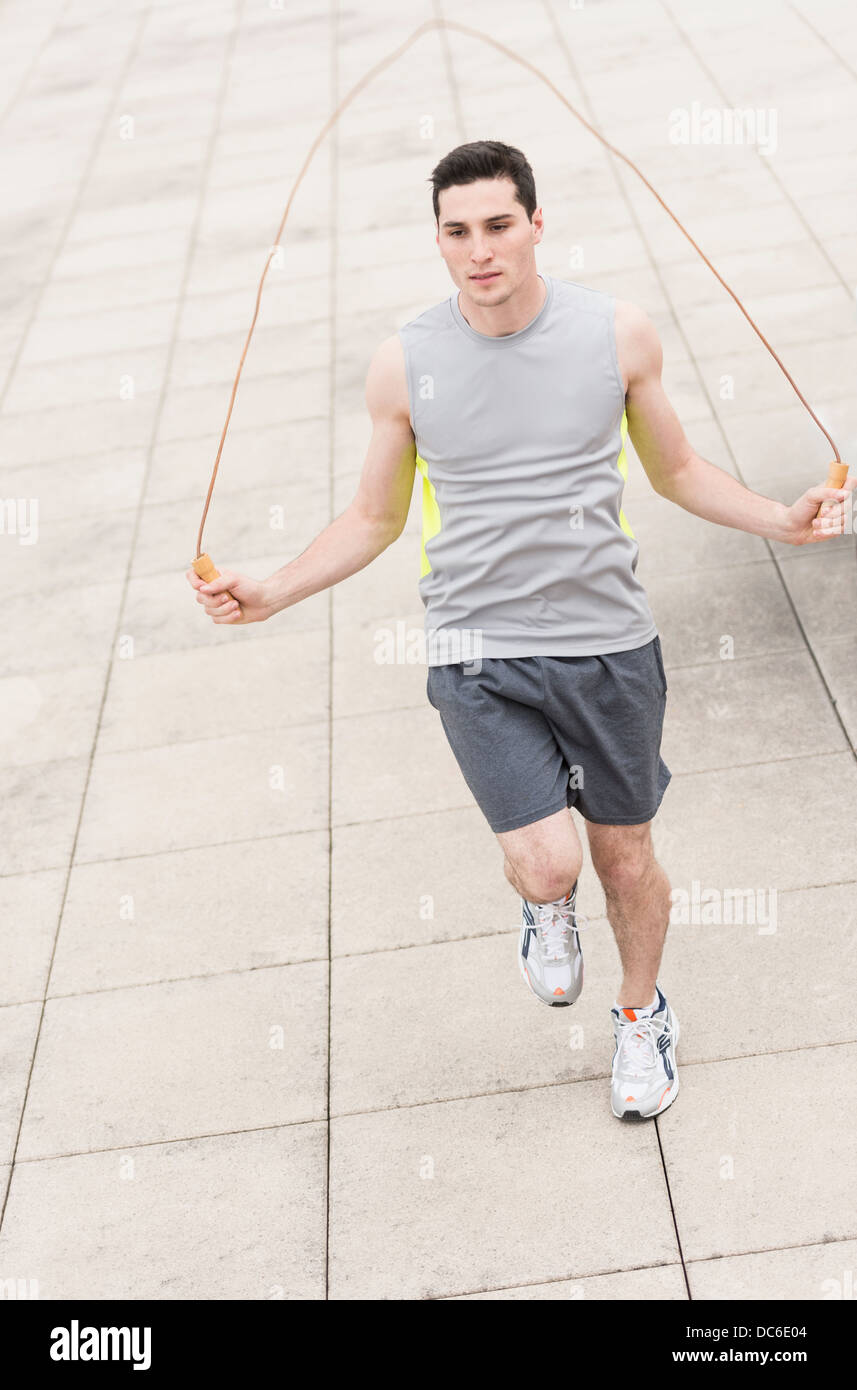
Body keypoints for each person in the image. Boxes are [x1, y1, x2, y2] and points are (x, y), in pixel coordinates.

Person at [187, 139, 853, 1120]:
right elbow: (372, 517)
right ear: (439, 241)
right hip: (473, 650)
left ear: (536, 224)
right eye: (455, 232)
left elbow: (675, 472)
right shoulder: (404, 362)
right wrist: (274, 588)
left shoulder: (614, 334)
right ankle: (543, 906)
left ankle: (638, 1017)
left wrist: (779, 521)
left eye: (497, 225)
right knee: (549, 859)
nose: (477, 250)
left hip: (607, 644)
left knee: (624, 859)